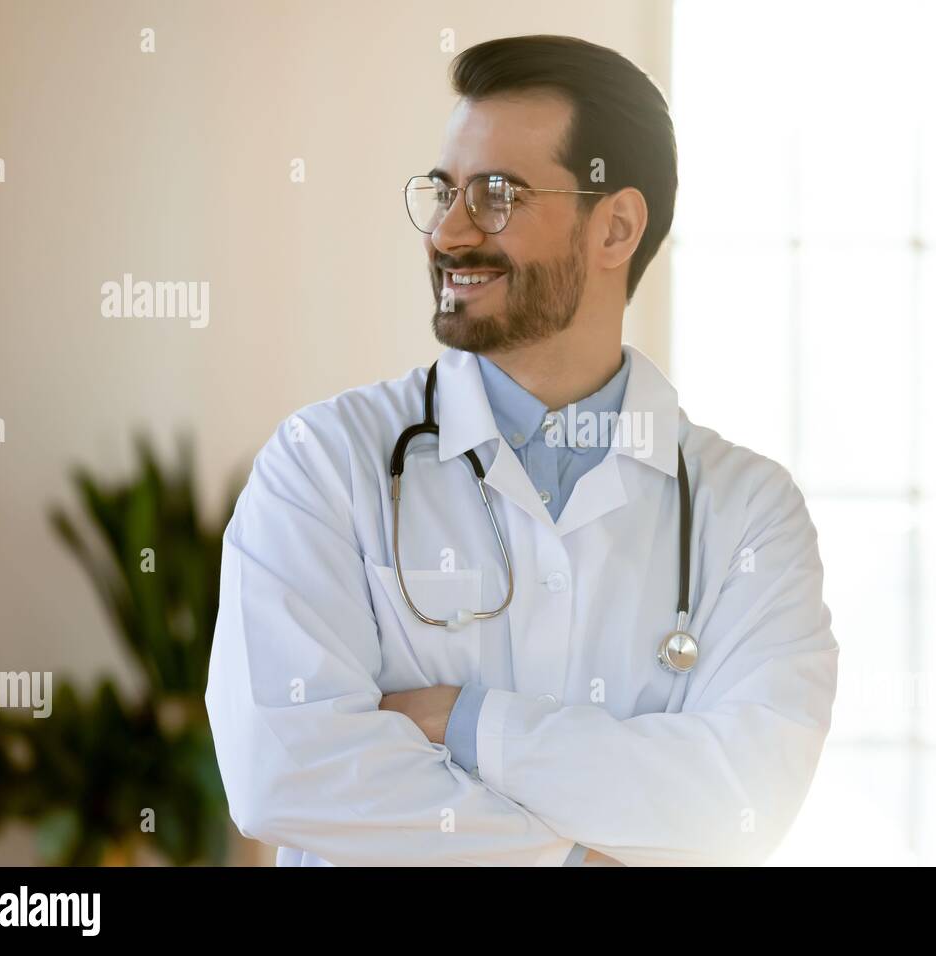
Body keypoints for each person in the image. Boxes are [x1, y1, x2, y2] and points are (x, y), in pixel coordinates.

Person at [204, 34, 838, 867]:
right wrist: (579, 858)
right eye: (444, 190)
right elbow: (280, 770)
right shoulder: (322, 466)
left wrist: (462, 721)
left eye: (496, 195)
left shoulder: (749, 513)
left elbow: (747, 801)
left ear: (615, 227)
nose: (448, 232)